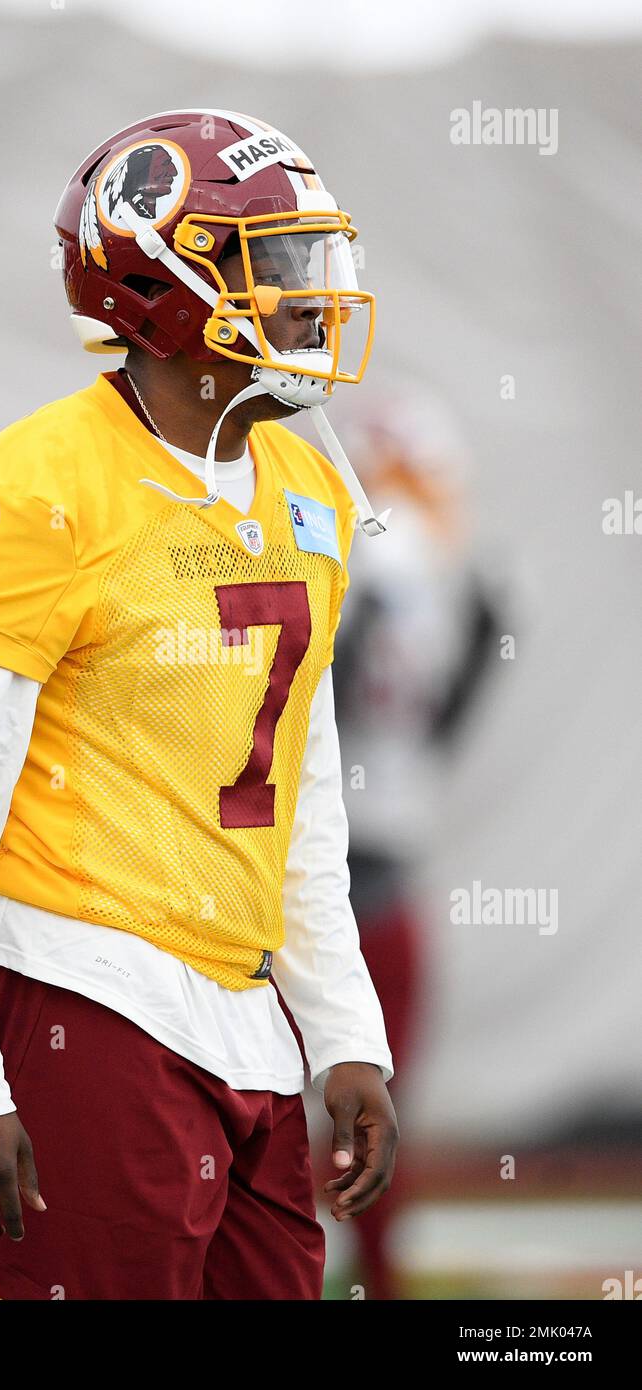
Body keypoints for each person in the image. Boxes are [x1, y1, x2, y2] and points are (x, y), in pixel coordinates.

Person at [0, 109, 398, 1301]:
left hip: (246, 1010)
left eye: (308, 257)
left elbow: (298, 784)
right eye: (271, 261)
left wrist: (343, 1025)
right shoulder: (33, 490)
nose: (310, 295)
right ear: (157, 280)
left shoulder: (305, 480)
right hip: (86, 993)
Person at [327, 381, 502, 1297]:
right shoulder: (403, 566)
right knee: (364, 1108)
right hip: (357, 870)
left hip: (333, 863)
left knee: (301, 1108)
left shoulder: (364, 556)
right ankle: (374, 1280)